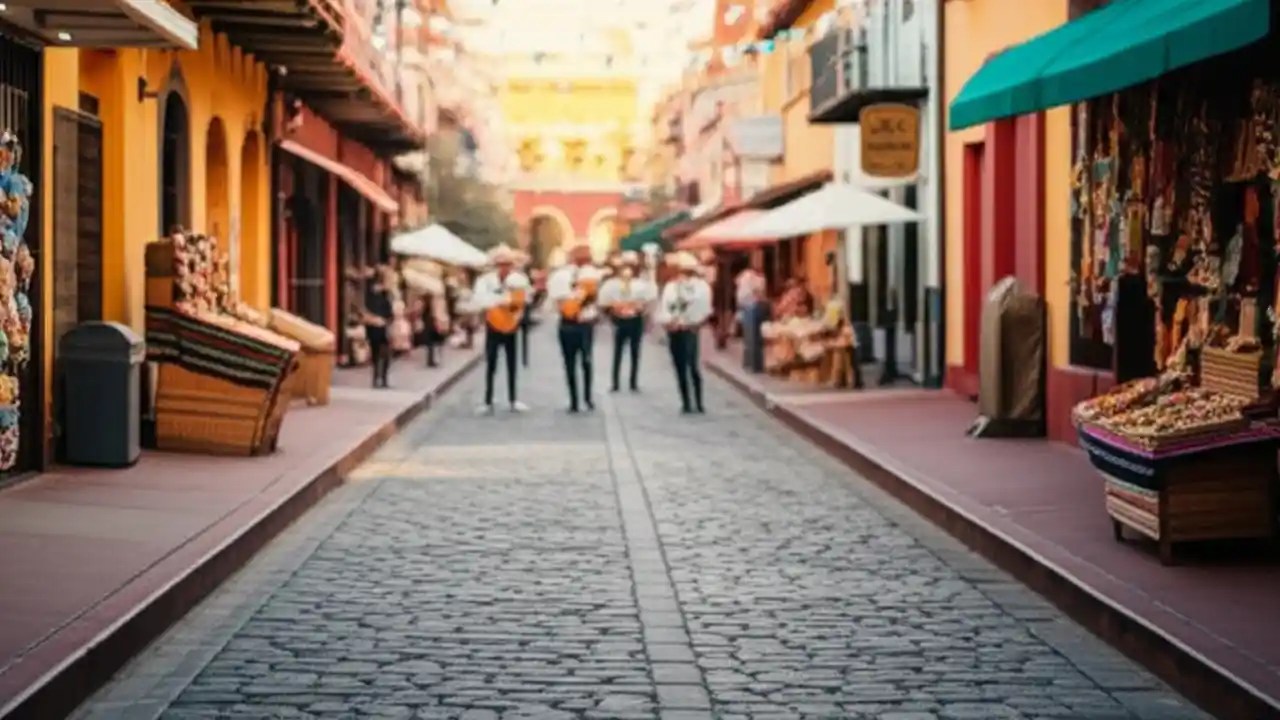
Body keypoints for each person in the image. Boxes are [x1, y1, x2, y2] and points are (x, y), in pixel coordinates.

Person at [473, 245, 531, 413]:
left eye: (508, 264)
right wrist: (503, 300)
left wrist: (501, 301)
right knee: (491, 363)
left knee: (512, 363)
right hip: (493, 324)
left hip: (511, 324)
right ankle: (488, 400)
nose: (505, 267)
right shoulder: (485, 280)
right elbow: (482, 300)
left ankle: (513, 399)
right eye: (501, 264)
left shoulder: (519, 279)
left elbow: (523, 299)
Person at [547, 243, 603, 413]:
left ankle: (575, 400)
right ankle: (585, 398)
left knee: (572, 362)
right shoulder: (591, 276)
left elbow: (555, 303)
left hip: (568, 323)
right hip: (581, 324)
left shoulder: (559, 276)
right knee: (585, 361)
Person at [656, 252, 713, 414]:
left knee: (692, 365)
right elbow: (665, 308)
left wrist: (693, 323)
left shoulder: (701, 287)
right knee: (679, 366)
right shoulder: (670, 287)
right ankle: (686, 402)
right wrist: (668, 323)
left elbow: (704, 309)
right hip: (674, 330)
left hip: (690, 330)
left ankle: (698, 401)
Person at [599, 250, 655, 393]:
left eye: (630, 266)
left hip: (635, 319)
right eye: (625, 266)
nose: (627, 269)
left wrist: (642, 311)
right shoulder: (611, 284)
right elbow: (603, 302)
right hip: (619, 320)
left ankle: (633, 381)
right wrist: (613, 310)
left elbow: (648, 302)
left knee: (635, 351)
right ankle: (615, 382)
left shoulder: (642, 284)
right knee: (617, 352)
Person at [363, 267, 395, 388]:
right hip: (375, 326)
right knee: (377, 353)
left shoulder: (384, 294)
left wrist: (386, 320)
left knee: (383, 353)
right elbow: (367, 309)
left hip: (382, 326)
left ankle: (381, 378)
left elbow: (390, 311)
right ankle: (378, 378)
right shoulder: (371, 294)